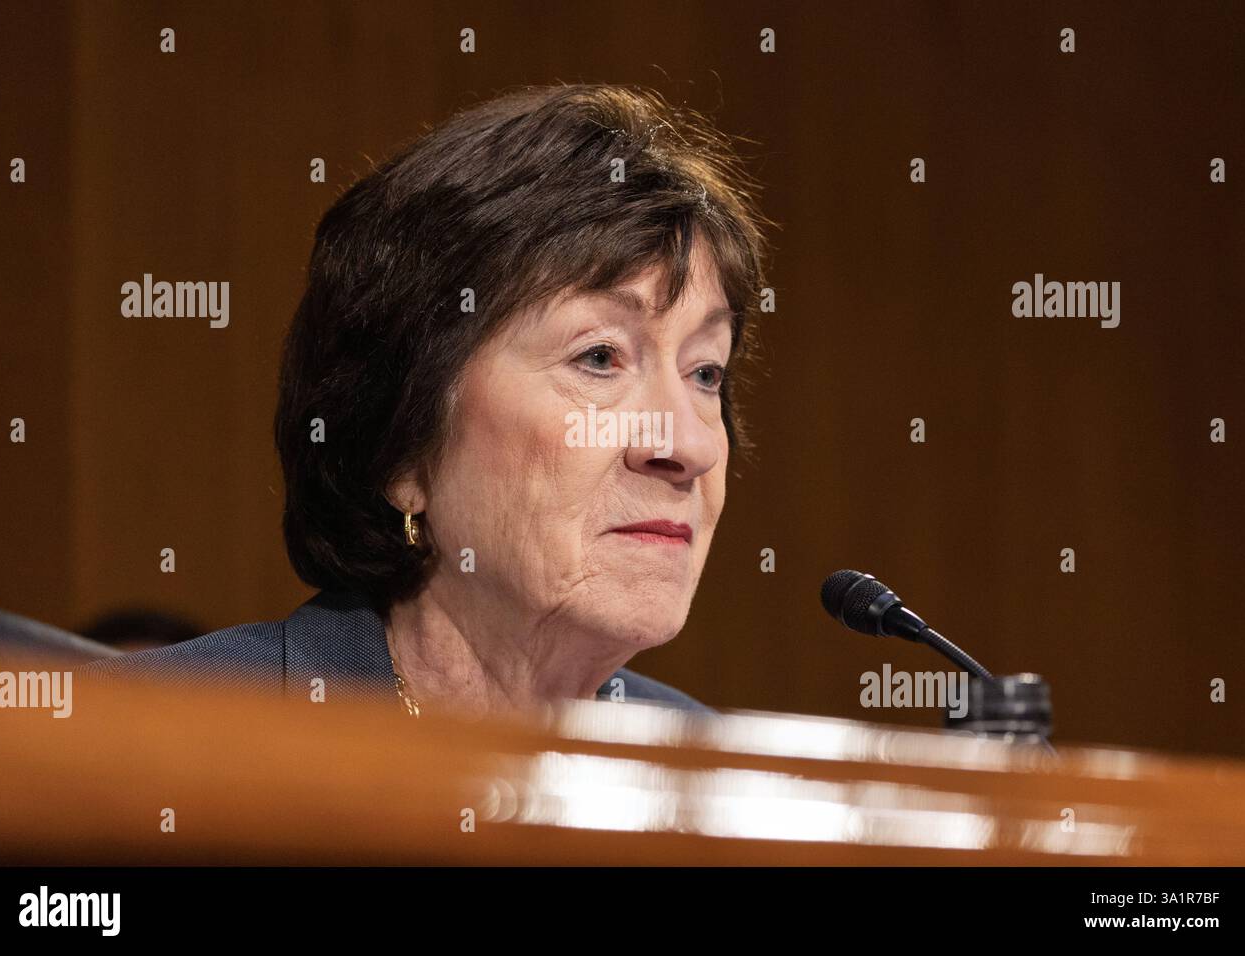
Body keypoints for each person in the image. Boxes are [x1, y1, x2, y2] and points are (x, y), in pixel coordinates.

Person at [81, 82, 771, 720]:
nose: (690, 445)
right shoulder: (142, 739)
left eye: (705, 373)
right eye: (598, 358)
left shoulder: (735, 796)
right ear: (404, 444)